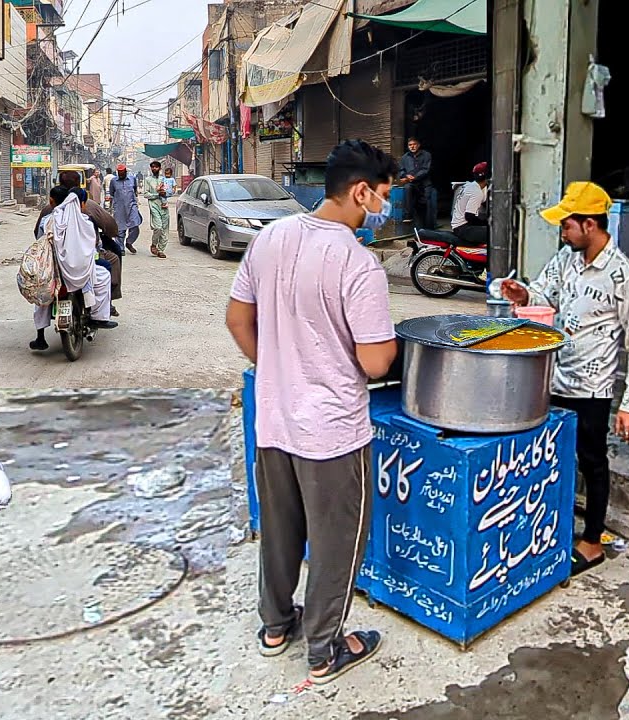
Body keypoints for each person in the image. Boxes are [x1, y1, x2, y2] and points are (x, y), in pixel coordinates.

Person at [226, 139, 398, 685]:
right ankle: (325, 649)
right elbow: (375, 362)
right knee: (335, 543)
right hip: (333, 434)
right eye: (383, 196)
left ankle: (276, 627)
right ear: (360, 191)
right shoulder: (358, 262)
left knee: (279, 530)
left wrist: (279, 367)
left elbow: (237, 320)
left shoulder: (270, 237)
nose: (384, 208)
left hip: (274, 420)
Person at [500, 181, 629, 577]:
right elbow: (543, 296)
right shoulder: (566, 260)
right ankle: (553, 528)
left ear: (589, 224)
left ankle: (592, 541)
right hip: (555, 378)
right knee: (555, 459)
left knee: (592, 461)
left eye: (567, 226)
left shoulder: (623, 277)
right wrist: (522, 294)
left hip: (593, 388)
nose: (562, 233)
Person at [30, 186, 117, 350]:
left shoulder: (48, 220)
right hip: (80, 274)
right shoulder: (86, 223)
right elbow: (95, 246)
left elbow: (40, 241)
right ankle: (99, 316)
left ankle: (40, 336)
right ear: (81, 203)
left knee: (41, 293)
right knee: (104, 276)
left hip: (55, 272)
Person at [39, 171, 123, 312]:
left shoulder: (50, 209)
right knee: (113, 256)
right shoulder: (87, 205)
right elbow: (110, 228)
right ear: (79, 185)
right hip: (80, 261)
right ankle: (108, 302)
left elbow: (38, 234)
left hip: (54, 259)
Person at [450, 161, 490, 246]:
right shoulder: (477, 192)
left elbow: (484, 203)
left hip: (457, 225)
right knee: (493, 233)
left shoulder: (469, 185)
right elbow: (469, 216)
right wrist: (486, 223)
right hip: (463, 228)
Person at [398, 137, 433, 227]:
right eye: (410, 145)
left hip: (424, 184)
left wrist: (414, 177)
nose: (412, 146)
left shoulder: (426, 155)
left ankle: (428, 228)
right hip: (412, 184)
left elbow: (425, 169)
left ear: (418, 145)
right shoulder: (404, 158)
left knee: (425, 205)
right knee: (407, 187)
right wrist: (405, 176)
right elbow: (401, 170)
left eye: (414, 144)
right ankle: (408, 216)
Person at [110, 164, 142, 255]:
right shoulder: (113, 181)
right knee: (120, 229)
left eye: (122, 173)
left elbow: (135, 190)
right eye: (119, 173)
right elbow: (112, 193)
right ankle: (120, 248)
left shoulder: (132, 179)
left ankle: (129, 242)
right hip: (119, 207)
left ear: (125, 172)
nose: (121, 174)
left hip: (132, 206)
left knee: (135, 225)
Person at [144, 160, 170, 258]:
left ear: (159, 168)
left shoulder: (164, 179)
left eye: (156, 167)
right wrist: (156, 194)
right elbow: (146, 194)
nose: (154, 168)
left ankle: (161, 250)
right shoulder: (148, 180)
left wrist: (165, 193)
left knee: (164, 229)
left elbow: (169, 191)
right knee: (158, 227)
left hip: (164, 206)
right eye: (153, 167)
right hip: (154, 206)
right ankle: (154, 244)